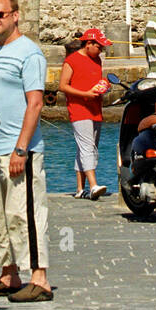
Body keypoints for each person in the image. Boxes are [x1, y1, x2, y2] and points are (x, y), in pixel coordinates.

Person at [0, 0, 52, 303]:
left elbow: (35, 103)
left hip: (20, 150)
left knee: (25, 213)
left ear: (16, 16)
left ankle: (39, 278)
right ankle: (8, 274)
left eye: (0, 14)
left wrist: (21, 149)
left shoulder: (29, 53)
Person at [59, 28, 111, 199]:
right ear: (89, 44)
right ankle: (94, 185)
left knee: (87, 148)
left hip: (96, 109)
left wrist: (103, 86)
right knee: (87, 147)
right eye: (99, 47)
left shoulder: (97, 60)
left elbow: (96, 81)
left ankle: (80, 188)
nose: (101, 51)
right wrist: (86, 94)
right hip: (79, 109)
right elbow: (63, 86)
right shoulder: (71, 60)